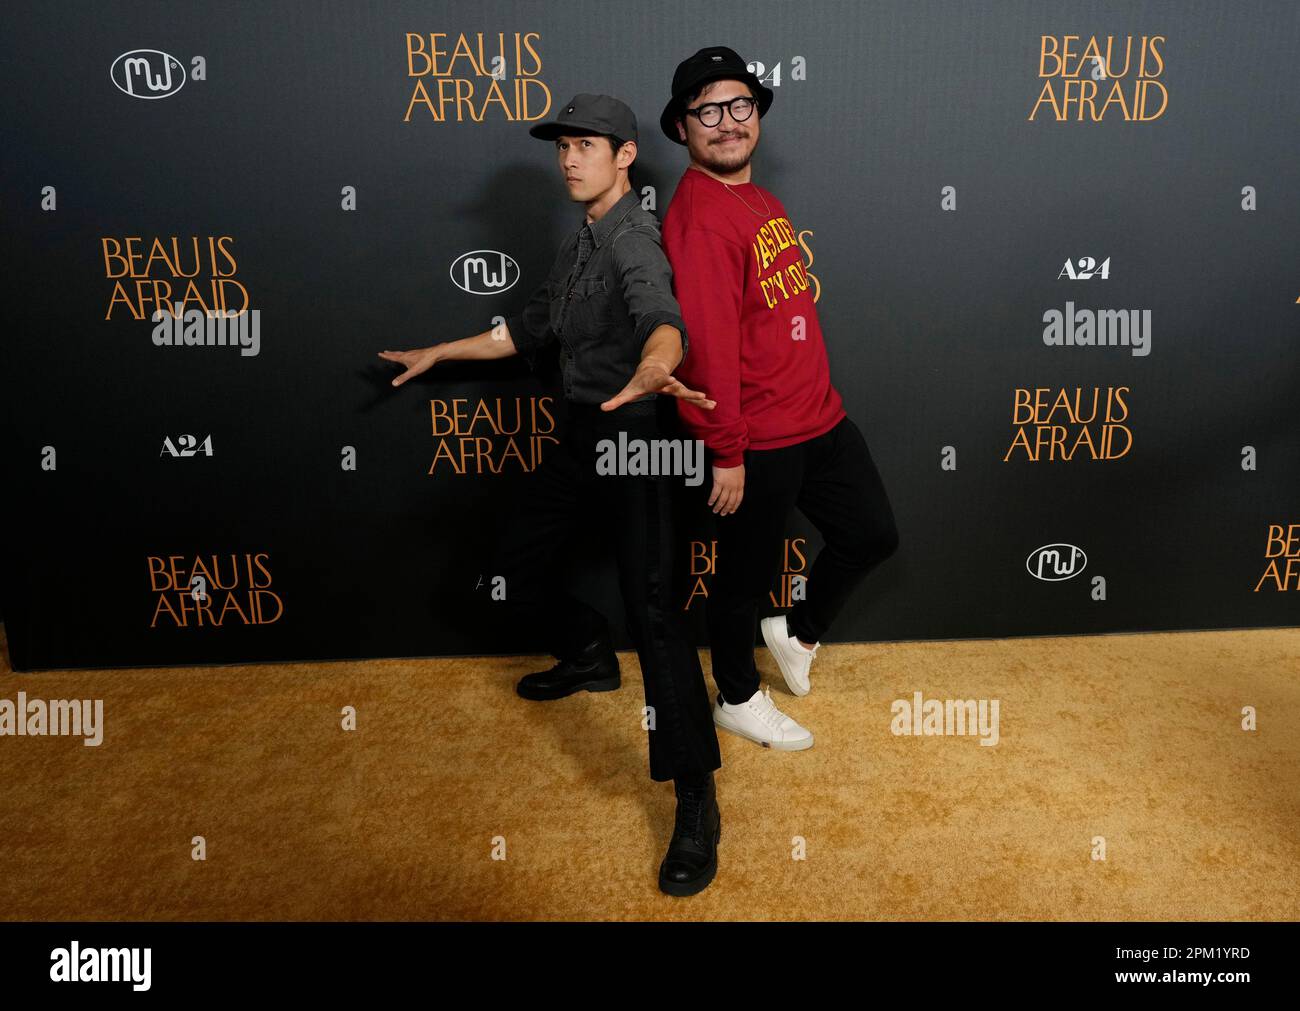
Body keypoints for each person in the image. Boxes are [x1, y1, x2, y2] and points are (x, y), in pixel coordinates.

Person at [379, 94, 724, 896]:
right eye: (562, 146)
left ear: (626, 154)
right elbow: (525, 330)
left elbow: (661, 316)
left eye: (586, 146)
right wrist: (441, 350)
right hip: (580, 434)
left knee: (657, 617)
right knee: (508, 565)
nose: (569, 159)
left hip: (636, 438)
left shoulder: (634, 235)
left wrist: (657, 361)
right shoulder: (581, 241)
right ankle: (588, 650)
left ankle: (697, 799)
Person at [659, 48, 901, 750]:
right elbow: (704, 347)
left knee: (872, 534)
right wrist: (726, 451)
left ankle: (795, 631)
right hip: (757, 436)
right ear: (682, 127)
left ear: (757, 114)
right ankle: (736, 694)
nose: (727, 122)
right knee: (741, 581)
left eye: (740, 106)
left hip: (818, 417)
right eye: (708, 111)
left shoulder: (762, 201)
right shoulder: (700, 217)